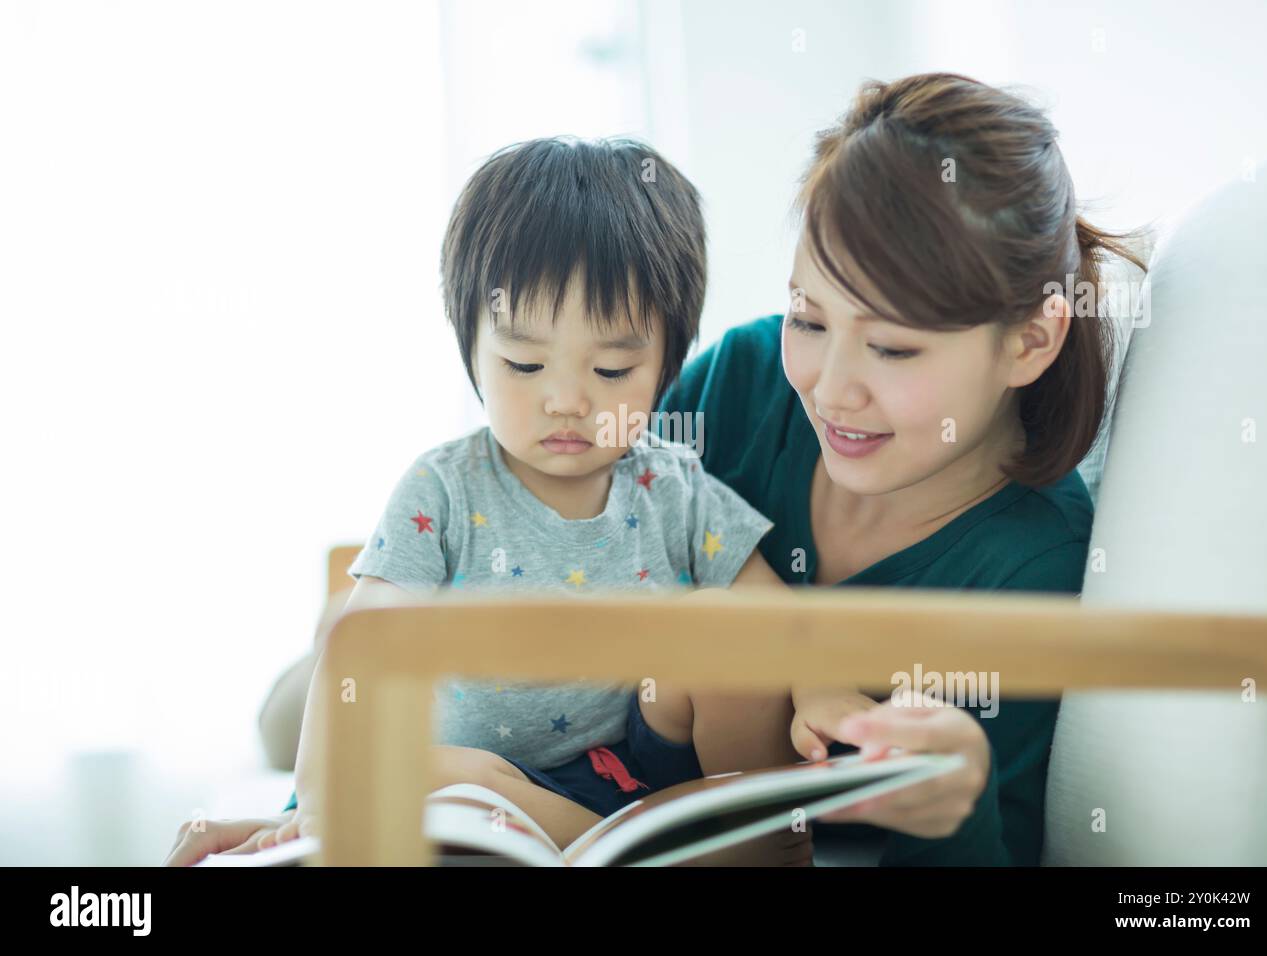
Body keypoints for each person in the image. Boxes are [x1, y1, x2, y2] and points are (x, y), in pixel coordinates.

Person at [166, 135, 810, 866]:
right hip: (484, 787)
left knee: (730, 626)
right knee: (439, 772)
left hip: (637, 770)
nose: (566, 400)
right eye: (524, 363)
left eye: (612, 367)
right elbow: (360, 649)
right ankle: (626, 850)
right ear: (470, 347)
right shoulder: (442, 489)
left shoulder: (675, 485)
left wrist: (821, 693)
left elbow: (777, 621)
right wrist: (317, 797)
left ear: (667, 363)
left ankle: (753, 846)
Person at [653, 72, 1148, 865]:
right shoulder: (742, 382)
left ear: (1028, 341)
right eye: (808, 320)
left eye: (892, 348)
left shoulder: (1032, 569)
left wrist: (958, 794)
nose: (831, 387)